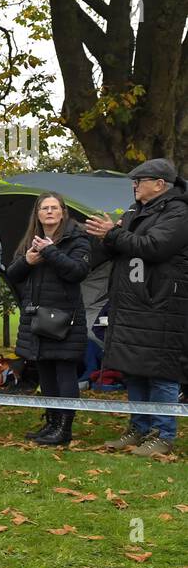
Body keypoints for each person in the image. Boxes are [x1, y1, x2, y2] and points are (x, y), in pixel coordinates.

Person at [86, 158, 188, 457]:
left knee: (161, 372)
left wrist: (114, 234)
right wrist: (106, 237)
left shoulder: (179, 212)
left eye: (139, 180)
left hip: (163, 306)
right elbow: (120, 247)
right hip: (131, 304)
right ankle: (139, 429)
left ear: (159, 184)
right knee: (134, 370)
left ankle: (162, 435)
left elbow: (155, 247)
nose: (134, 185)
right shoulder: (135, 211)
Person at [4, 191, 91, 447]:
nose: (50, 212)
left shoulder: (77, 238)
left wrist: (51, 252)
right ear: (38, 214)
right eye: (45, 208)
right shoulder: (31, 240)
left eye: (54, 207)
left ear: (63, 212)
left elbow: (77, 272)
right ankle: (51, 422)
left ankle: (64, 428)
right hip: (36, 316)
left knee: (64, 370)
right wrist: (27, 261)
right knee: (45, 371)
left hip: (65, 318)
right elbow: (13, 275)